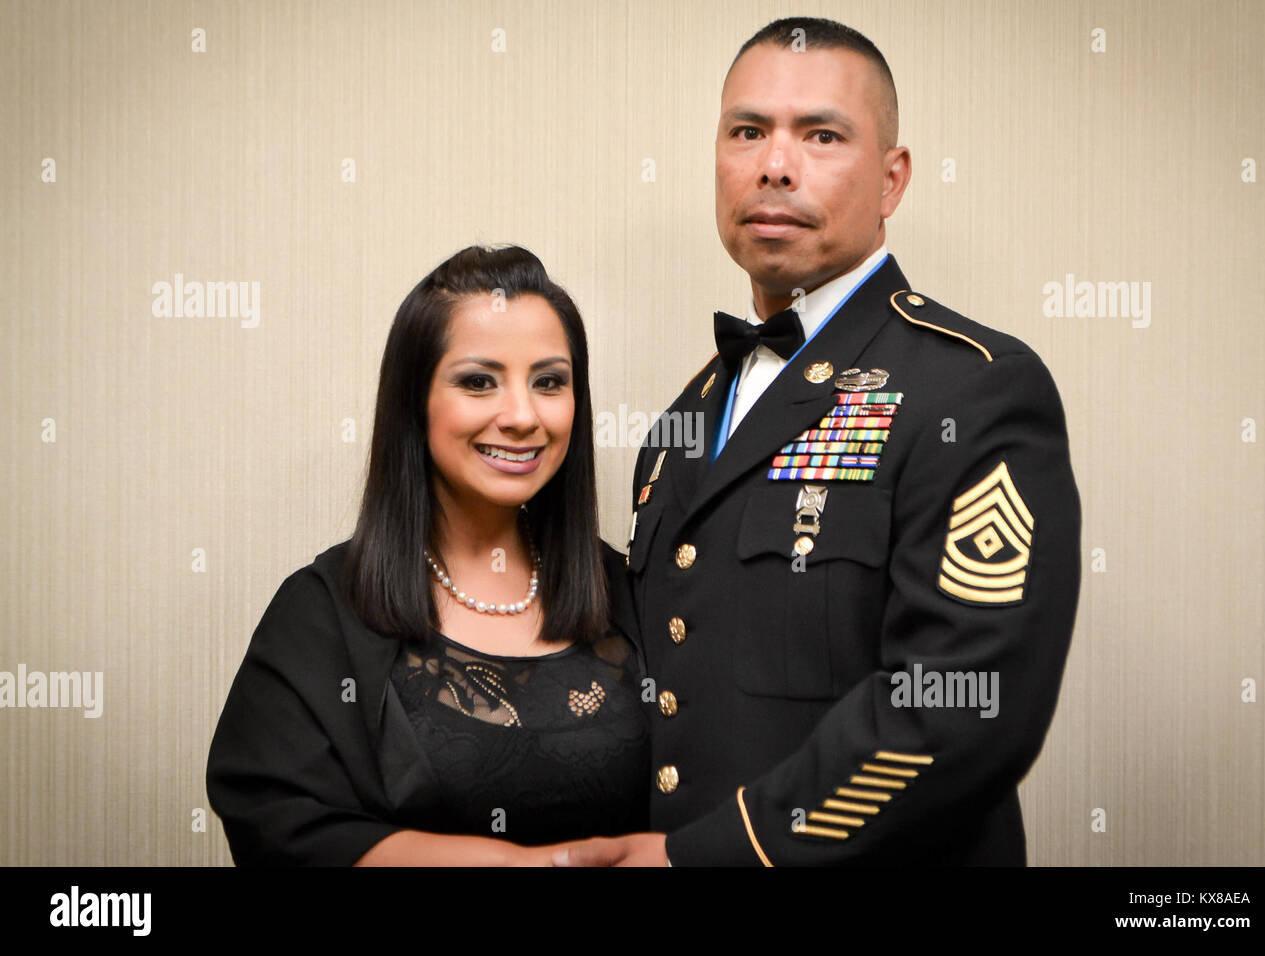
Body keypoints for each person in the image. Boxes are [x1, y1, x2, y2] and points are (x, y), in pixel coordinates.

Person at [557, 17, 1082, 866]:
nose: (774, 162)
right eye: (748, 131)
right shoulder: (677, 430)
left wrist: (717, 853)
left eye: (822, 134)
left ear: (892, 178)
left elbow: (961, 708)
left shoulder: (973, 387)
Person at [206, 245, 650, 865]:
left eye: (549, 382)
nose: (522, 415)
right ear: (416, 402)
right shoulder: (324, 609)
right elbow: (279, 823)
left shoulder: (629, 590)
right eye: (478, 381)